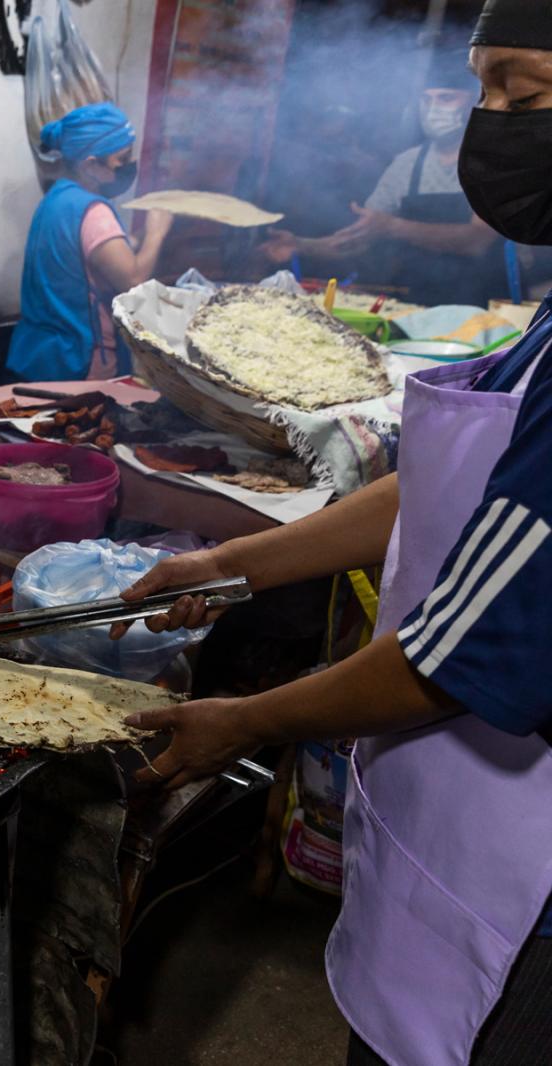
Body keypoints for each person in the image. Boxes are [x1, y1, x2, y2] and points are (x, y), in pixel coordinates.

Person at [117, 10, 552, 1063]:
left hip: (528, 890)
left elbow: (466, 653)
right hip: (456, 830)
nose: (487, 125)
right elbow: (432, 484)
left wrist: (241, 720)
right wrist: (227, 563)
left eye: (524, 96)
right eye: (480, 91)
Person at [260, 45, 505, 307]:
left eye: (446, 98)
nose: (433, 109)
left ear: (476, 100)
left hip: (482, 305)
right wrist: (300, 244)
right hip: (414, 304)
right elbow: (362, 237)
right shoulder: (407, 164)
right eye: (426, 100)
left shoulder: (496, 160)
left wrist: (391, 226)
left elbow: (477, 240)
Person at [4, 102, 173, 383]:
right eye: (122, 158)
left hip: (41, 356)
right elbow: (133, 279)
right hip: (80, 362)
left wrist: (137, 239)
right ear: (91, 165)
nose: (129, 165)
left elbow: (86, 258)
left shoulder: (56, 200)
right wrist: (156, 232)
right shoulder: (94, 212)